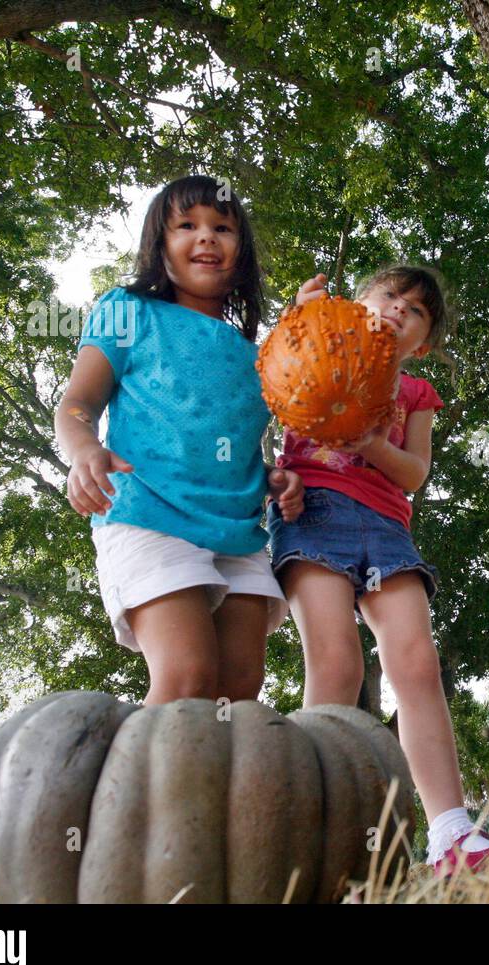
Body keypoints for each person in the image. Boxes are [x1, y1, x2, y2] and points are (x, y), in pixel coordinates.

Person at [272, 264, 489, 876]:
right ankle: (316, 835)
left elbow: (414, 473)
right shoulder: (322, 354)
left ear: (426, 343)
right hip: (314, 517)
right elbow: (280, 366)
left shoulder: (414, 395)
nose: (396, 310)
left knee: (416, 664)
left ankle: (451, 834)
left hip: (386, 529)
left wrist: (373, 448)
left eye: (414, 312)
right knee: (337, 666)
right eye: (387, 296)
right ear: (357, 304)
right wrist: (303, 313)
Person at [54, 175, 304, 705]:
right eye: (186, 225)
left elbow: (231, 442)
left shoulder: (261, 359)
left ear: (243, 251)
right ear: (159, 244)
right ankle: (133, 789)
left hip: (237, 531)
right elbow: (77, 404)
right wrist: (84, 452)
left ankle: (208, 791)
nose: (206, 237)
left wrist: (273, 479)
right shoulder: (129, 311)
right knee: (188, 674)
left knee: (238, 689)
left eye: (223, 227)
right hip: (148, 512)